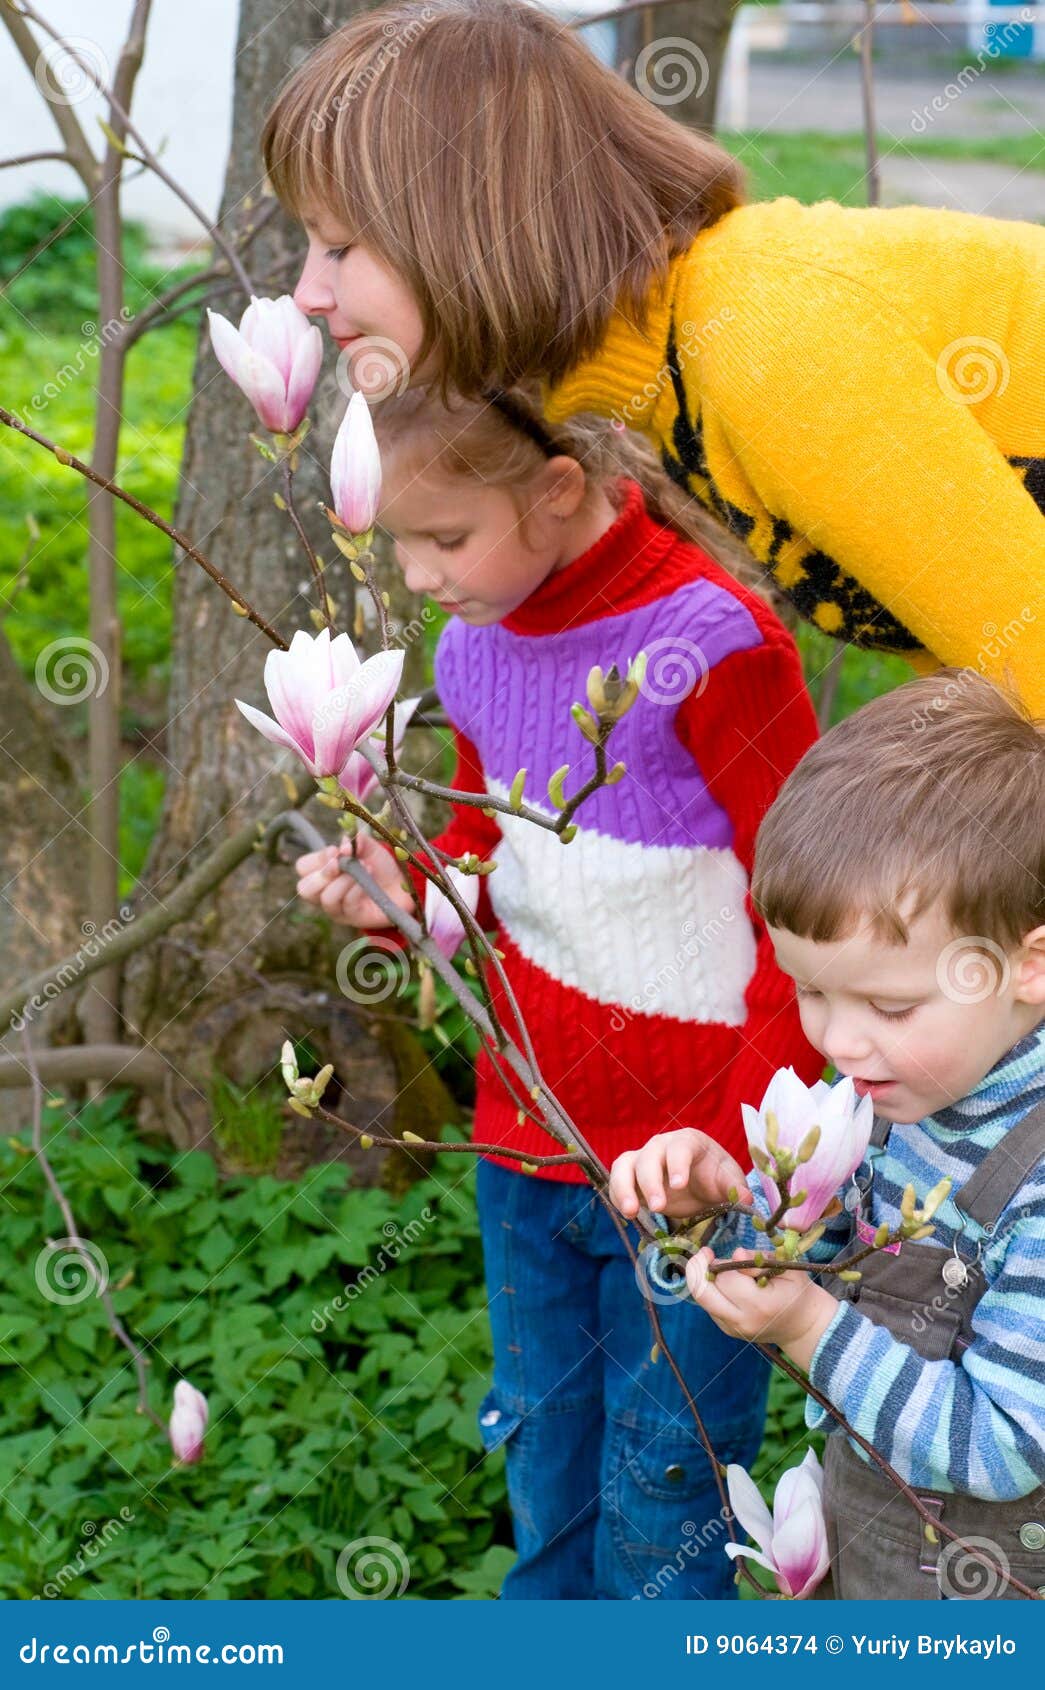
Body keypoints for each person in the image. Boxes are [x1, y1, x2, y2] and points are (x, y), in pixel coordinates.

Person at [294, 384, 822, 1597]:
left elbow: (803, 904)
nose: (421, 577)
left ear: (556, 490)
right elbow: (494, 855)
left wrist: (744, 1138)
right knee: (543, 1449)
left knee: (667, 1480)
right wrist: (405, 884)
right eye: (399, 545)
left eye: (444, 538)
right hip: (528, 1133)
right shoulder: (475, 641)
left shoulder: (715, 641)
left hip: (695, 1159)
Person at [261, 0, 1044, 713]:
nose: (306, 293)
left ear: (462, 229)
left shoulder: (761, 341)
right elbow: (972, 648)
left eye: (338, 245)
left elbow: (1030, 658)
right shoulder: (675, 380)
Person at [609, 671, 1045, 1600]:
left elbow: (1004, 1445)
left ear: (1027, 967)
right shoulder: (900, 1096)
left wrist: (808, 1327)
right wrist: (742, 1205)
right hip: (876, 1555)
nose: (839, 1044)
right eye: (811, 991)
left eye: (889, 1005)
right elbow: (837, 1268)